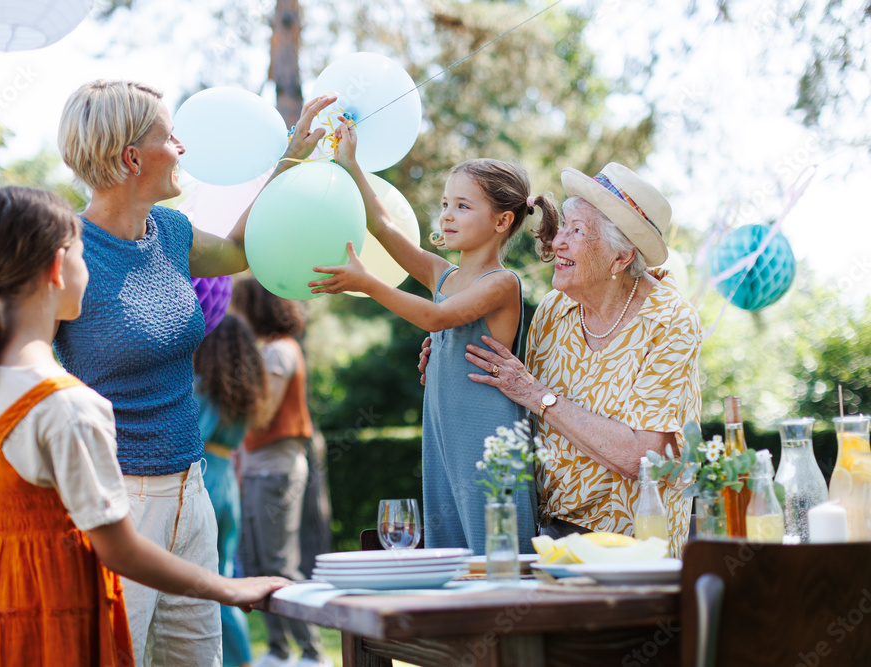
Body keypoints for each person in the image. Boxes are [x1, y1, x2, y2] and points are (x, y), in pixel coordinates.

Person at [0, 81, 334, 666]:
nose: (181, 147)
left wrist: (292, 158)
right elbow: (7, 367)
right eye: (169, 136)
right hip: (112, 501)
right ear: (131, 158)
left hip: (191, 494)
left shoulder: (169, 234)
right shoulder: (65, 253)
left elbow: (242, 250)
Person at [424, 162, 702, 556]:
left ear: (620, 258)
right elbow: (509, 393)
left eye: (576, 232)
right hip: (548, 540)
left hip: (634, 548)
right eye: (563, 227)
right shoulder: (554, 310)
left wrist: (539, 395)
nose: (557, 242)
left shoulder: (670, 320)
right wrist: (448, 351)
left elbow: (642, 458)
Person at [309, 119, 559, 555]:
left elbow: (435, 318)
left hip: (488, 441)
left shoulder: (504, 283)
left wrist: (368, 283)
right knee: (451, 553)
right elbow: (384, 227)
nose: (446, 214)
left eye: (463, 206)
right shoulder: (444, 274)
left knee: (494, 552)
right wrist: (351, 164)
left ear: (502, 220)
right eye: (446, 203)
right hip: (443, 437)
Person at [233, 278, 329, 667]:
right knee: (255, 564)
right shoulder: (268, 351)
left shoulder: (278, 352)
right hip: (256, 470)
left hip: (276, 471)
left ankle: (311, 653)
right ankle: (278, 650)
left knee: (279, 562)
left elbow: (262, 414)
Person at [192, 313, 267, 667]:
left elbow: (192, 436)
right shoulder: (240, 388)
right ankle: (240, 659)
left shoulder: (203, 387)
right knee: (224, 574)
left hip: (203, 479)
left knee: (207, 580)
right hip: (226, 482)